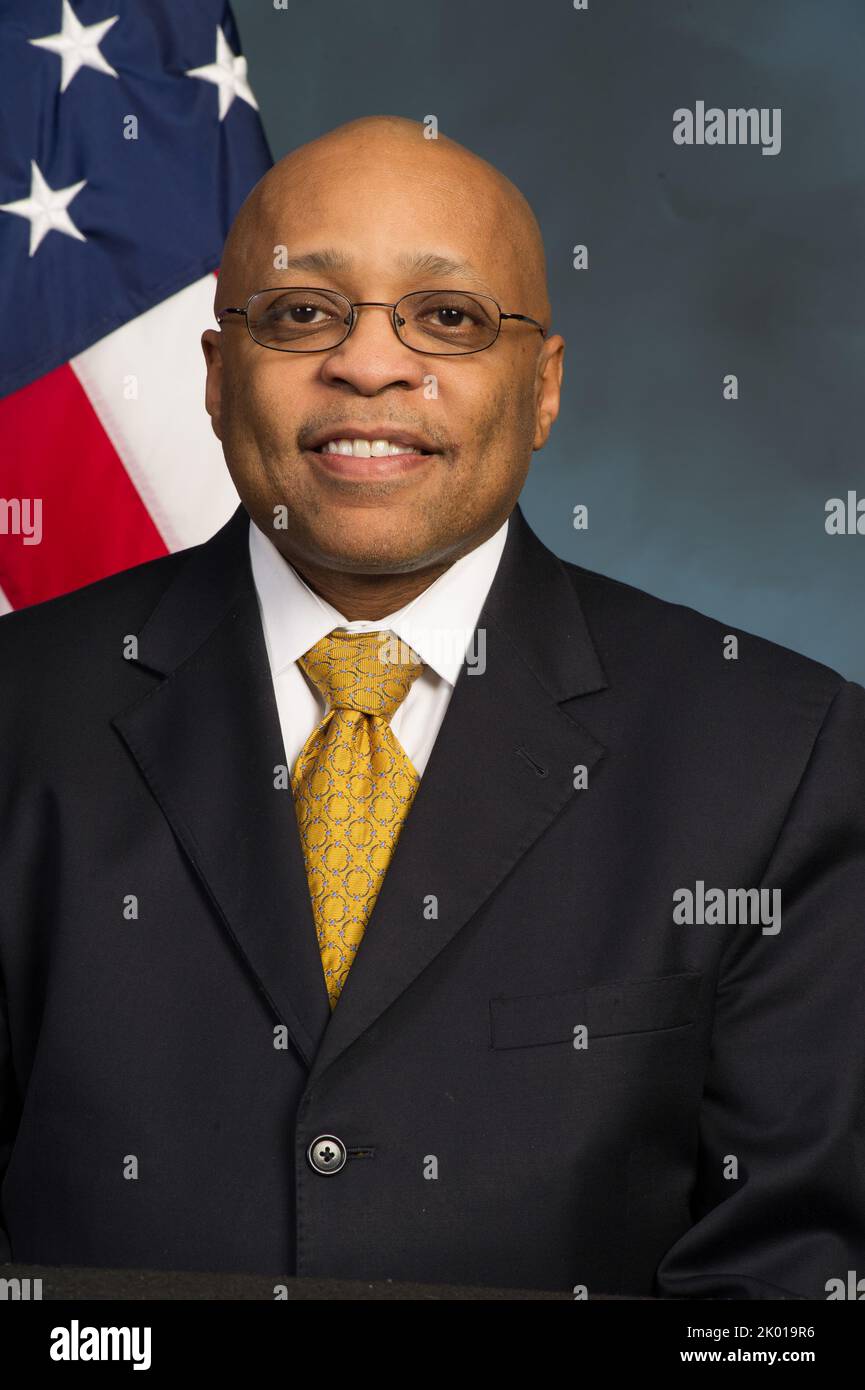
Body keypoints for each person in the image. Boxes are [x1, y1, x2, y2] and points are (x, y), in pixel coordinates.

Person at [0, 115, 863, 1298]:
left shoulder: (783, 752)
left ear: (544, 387)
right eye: (302, 314)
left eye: (446, 318)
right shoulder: (18, 711)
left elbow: (785, 1282)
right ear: (214, 376)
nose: (368, 365)